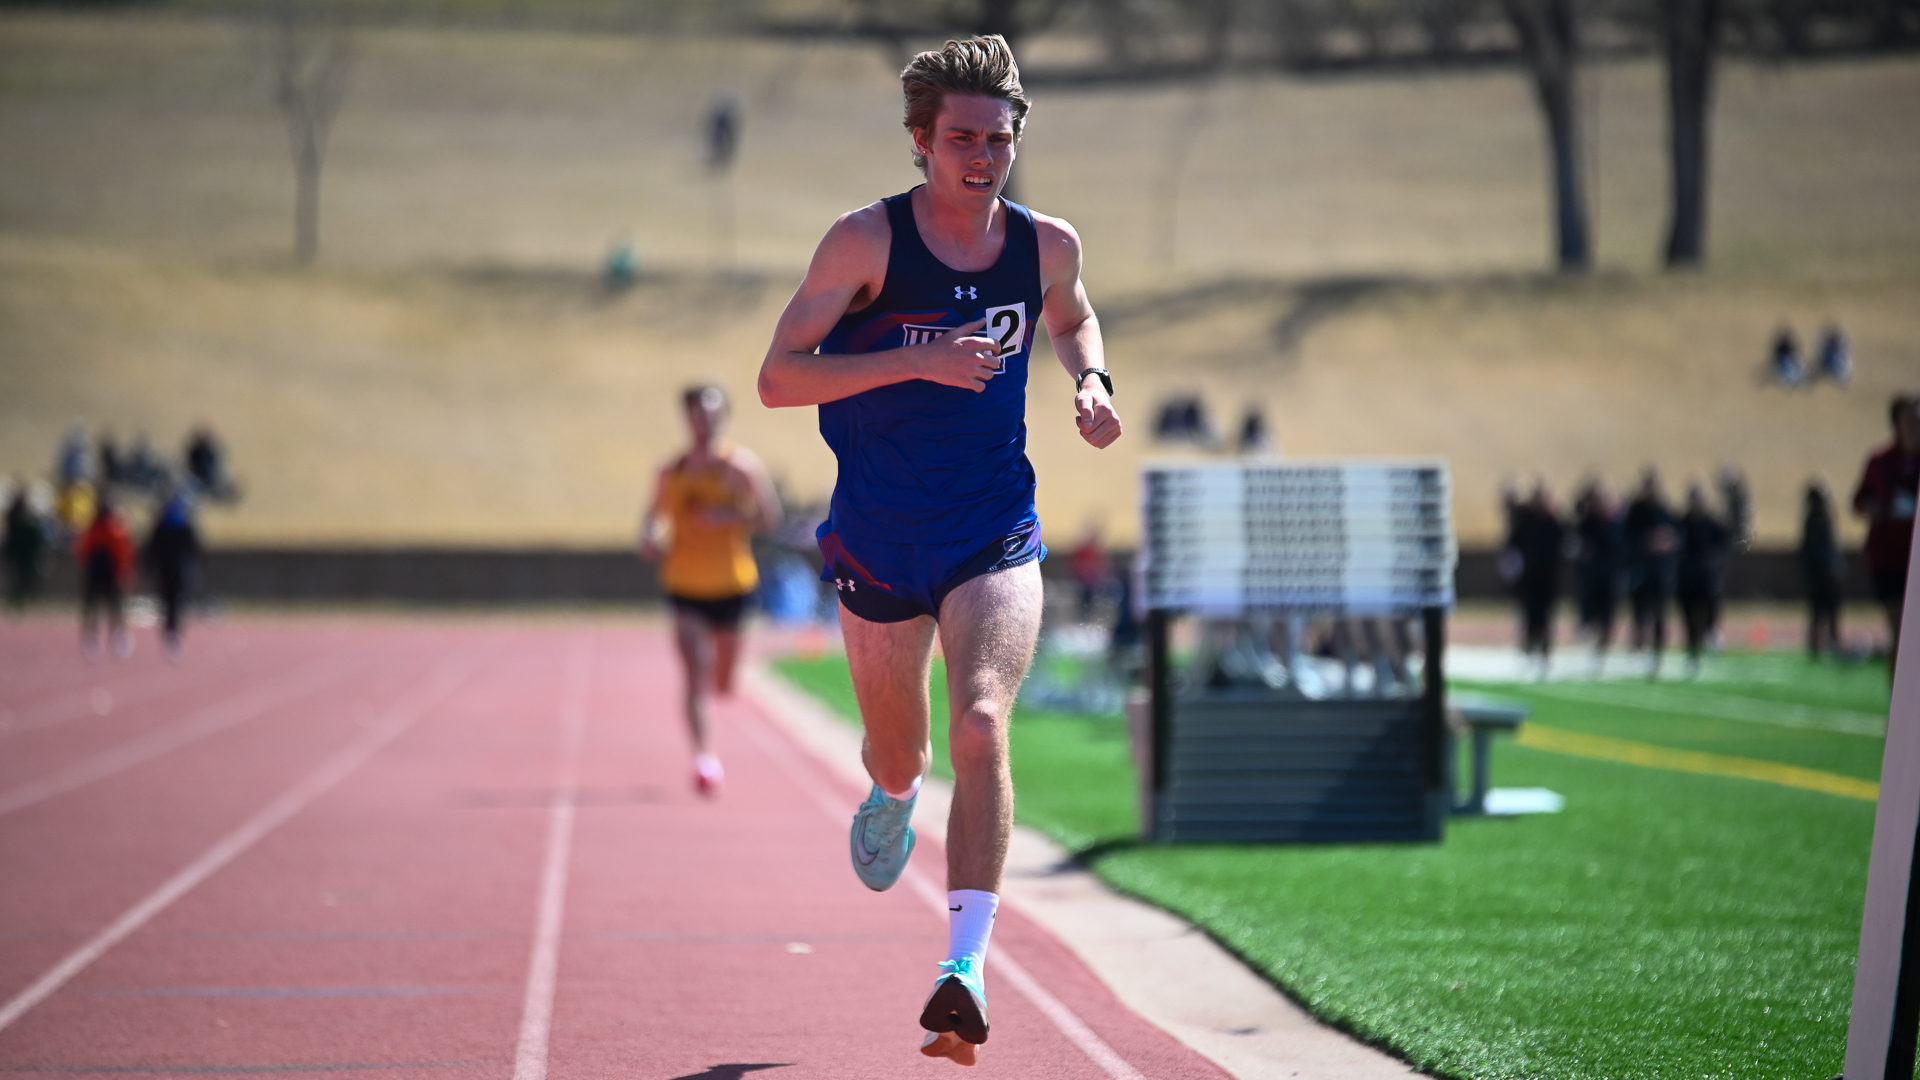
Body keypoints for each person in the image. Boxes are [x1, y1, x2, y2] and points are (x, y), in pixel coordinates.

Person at [756, 34, 1122, 1066]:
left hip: (992, 532)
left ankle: (963, 968)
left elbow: (1076, 318)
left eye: (998, 140)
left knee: (980, 722)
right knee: (903, 750)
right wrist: (916, 355)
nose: (982, 157)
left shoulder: (1045, 244)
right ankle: (891, 794)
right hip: (876, 536)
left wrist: (1092, 383)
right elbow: (779, 379)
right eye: (961, 138)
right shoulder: (864, 245)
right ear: (921, 141)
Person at [639, 385, 781, 797]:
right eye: (698, 414)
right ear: (687, 418)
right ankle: (705, 759)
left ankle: (715, 704)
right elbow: (652, 518)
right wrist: (649, 537)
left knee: (723, 681)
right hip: (684, 583)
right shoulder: (672, 471)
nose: (705, 422)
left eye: (712, 414)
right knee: (694, 671)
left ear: (724, 418)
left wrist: (728, 515)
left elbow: (771, 519)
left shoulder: (740, 469)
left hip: (732, 584)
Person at [1852, 394, 1920, 678]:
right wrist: (1876, 508)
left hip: (1915, 559)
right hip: (1888, 558)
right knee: (1900, 630)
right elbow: (1858, 501)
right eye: (1909, 420)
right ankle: (1898, 705)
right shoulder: (1881, 461)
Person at [1624, 469, 1679, 678]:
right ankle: (1638, 649)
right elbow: (1627, 538)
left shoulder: (1666, 510)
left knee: (1660, 614)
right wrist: (1646, 542)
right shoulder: (1636, 511)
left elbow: (1677, 536)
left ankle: (1658, 654)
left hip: (1661, 570)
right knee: (1639, 612)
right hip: (1640, 569)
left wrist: (1668, 541)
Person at [1675, 483, 1730, 675]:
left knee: (1710, 614)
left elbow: (1725, 547)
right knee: (1690, 619)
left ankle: (1712, 634)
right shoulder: (1682, 523)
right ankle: (1693, 654)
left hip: (1707, 578)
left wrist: (1714, 558)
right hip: (1687, 578)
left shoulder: (1713, 523)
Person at [1513, 481, 1565, 676]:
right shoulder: (1525, 520)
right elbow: (1514, 543)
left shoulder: (1555, 522)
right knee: (1529, 616)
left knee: (1546, 617)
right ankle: (1528, 650)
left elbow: (1565, 542)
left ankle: (1545, 653)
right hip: (1529, 577)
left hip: (1549, 578)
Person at [75, 495, 136, 659]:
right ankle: (94, 637)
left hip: (109, 574)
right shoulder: (96, 528)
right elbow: (84, 551)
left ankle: (117, 636)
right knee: (96, 607)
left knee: (113, 608)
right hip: (99, 573)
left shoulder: (114, 529)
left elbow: (123, 553)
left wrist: (123, 572)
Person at [1572, 479, 1624, 668]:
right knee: (1590, 614)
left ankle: (1603, 651)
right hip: (1592, 576)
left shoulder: (1615, 523)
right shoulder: (1586, 523)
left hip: (1609, 575)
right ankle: (1593, 648)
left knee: (1608, 616)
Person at [144, 489, 201, 662]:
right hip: (167, 570)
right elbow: (152, 550)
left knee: (174, 603)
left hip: (176, 571)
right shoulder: (164, 526)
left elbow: (193, 550)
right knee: (169, 602)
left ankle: (173, 634)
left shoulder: (181, 526)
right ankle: (171, 634)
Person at [1800, 479, 1845, 658]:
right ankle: (1818, 644)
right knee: (1819, 611)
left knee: (1830, 610)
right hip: (1821, 574)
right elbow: (1812, 550)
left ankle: (1829, 642)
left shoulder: (1826, 518)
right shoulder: (1814, 520)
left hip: (1829, 572)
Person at [4, 481, 48, 614]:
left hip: (28, 552)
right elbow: (12, 532)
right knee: (16, 578)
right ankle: (16, 603)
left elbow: (36, 533)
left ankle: (23, 602)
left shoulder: (29, 514)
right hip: (17, 551)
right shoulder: (13, 513)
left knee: (26, 579)